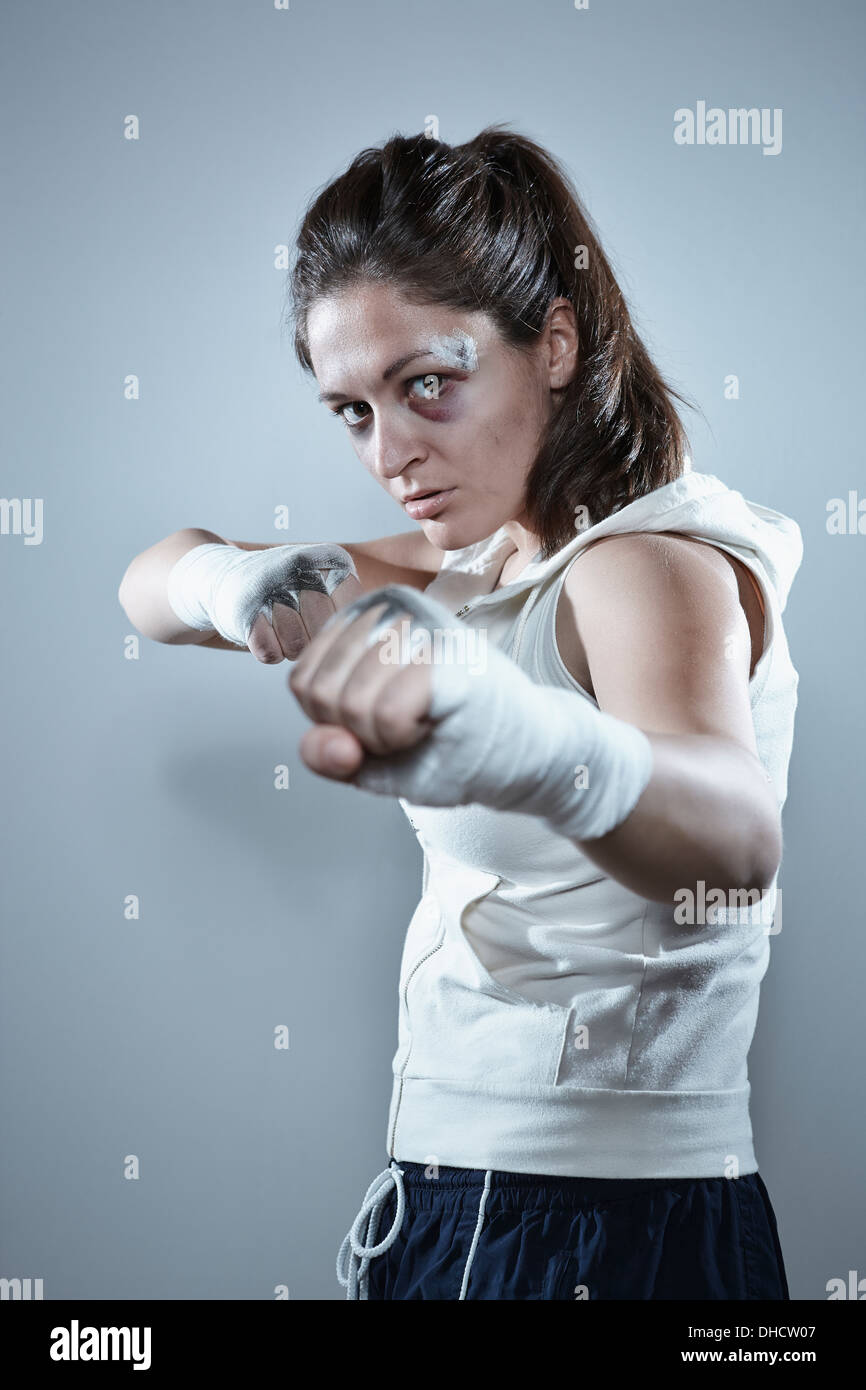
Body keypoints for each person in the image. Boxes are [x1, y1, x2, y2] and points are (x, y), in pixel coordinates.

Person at [118, 126, 802, 1301]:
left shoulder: (640, 565)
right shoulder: (482, 567)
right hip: (451, 1203)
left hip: (598, 1227)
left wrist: (523, 743)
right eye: (349, 410)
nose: (389, 453)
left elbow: (736, 844)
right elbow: (150, 583)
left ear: (553, 340)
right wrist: (225, 588)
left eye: (425, 384)